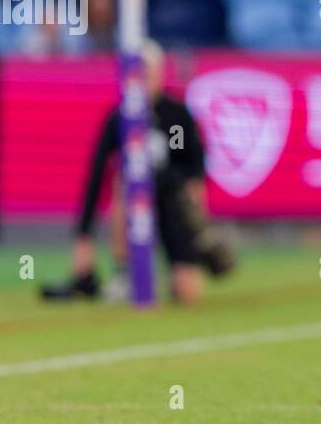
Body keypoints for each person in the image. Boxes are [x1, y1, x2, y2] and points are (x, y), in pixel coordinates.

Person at [41, 40, 233, 305]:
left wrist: (197, 218)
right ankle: (125, 272)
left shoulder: (174, 116)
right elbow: (97, 175)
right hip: (135, 201)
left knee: (188, 292)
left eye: (149, 73)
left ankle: (183, 264)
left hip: (172, 199)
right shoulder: (120, 118)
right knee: (124, 183)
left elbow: (191, 165)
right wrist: (83, 235)